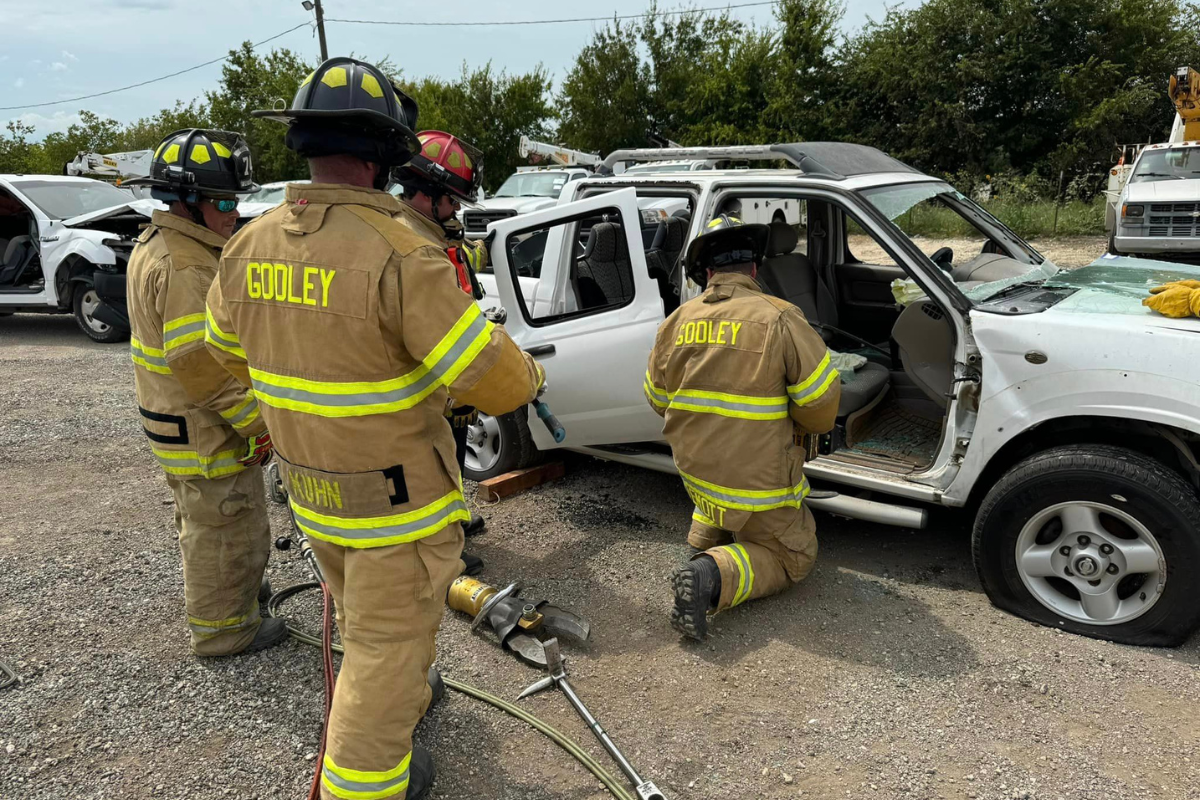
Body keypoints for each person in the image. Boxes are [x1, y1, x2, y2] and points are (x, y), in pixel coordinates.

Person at [204, 58, 544, 800]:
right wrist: (531, 374)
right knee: (387, 654)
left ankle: (400, 713)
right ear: (385, 155)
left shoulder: (249, 244)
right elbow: (494, 379)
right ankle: (365, 785)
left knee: (359, 618)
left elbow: (226, 352)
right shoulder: (399, 252)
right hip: (396, 509)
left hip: (312, 496)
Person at [123, 128, 283, 657]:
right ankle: (226, 630)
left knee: (205, 519)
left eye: (235, 200)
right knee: (228, 524)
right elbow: (200, 362)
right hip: (203, 425)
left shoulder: (162, 243)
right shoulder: (186, 265)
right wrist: (258, 424)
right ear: (185, 202)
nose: (233, 212)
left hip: (176, 419)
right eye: (221, 201)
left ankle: (234, 595)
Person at [644, 214, 841, 641]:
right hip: (758, 489)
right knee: (794, 555)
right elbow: (821, 409)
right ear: (754, 269)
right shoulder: (782, 319)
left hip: (697, 479)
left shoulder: (673, 324)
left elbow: (658, 401)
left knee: (717, 486)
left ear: (707, 273)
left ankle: (703, 539)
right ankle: (710, 575)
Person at [392, 130, 489, 538]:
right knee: (429, 462)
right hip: (427, 384)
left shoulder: (436, 232)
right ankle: (444, 542)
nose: (455, 211)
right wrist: (453, 391)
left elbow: (462, 272)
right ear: (425, 193)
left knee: (451, 452)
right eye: (451, 200)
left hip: (451, 376)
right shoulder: (407, 240)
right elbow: (421, 331)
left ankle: (456, 515)